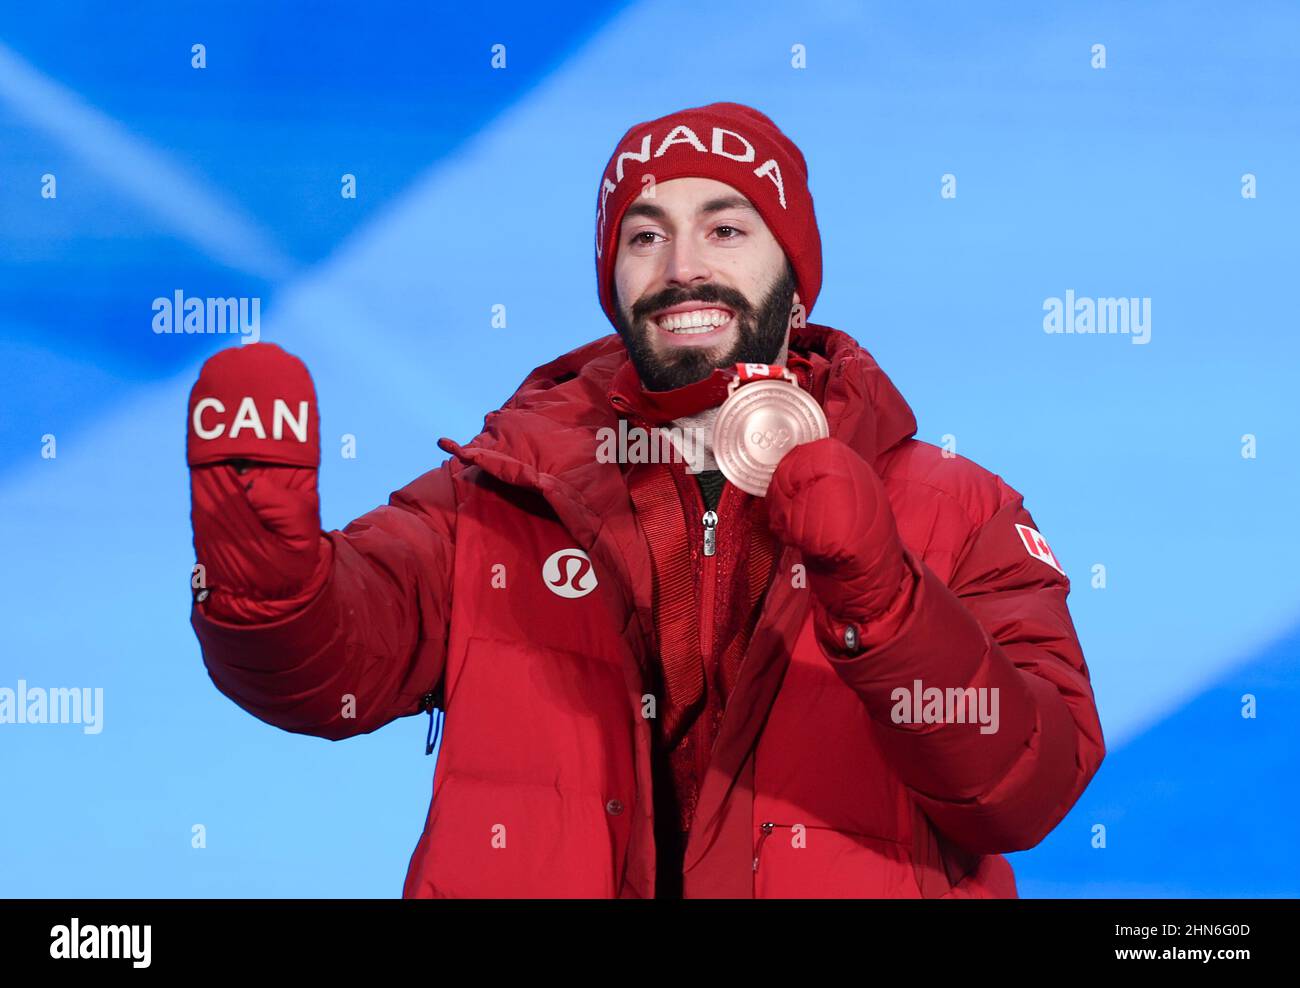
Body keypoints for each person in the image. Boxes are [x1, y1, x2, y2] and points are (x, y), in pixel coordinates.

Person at [186, 101, 1105, 898]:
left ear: (796, 281)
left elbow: (1027, 787)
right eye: (645, 234)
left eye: (727, 228)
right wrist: (271, 591)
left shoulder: (955, 506)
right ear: (613, 281)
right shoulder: (499, 492)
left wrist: (887, 602)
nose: (682, 266)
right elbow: (335, 675)